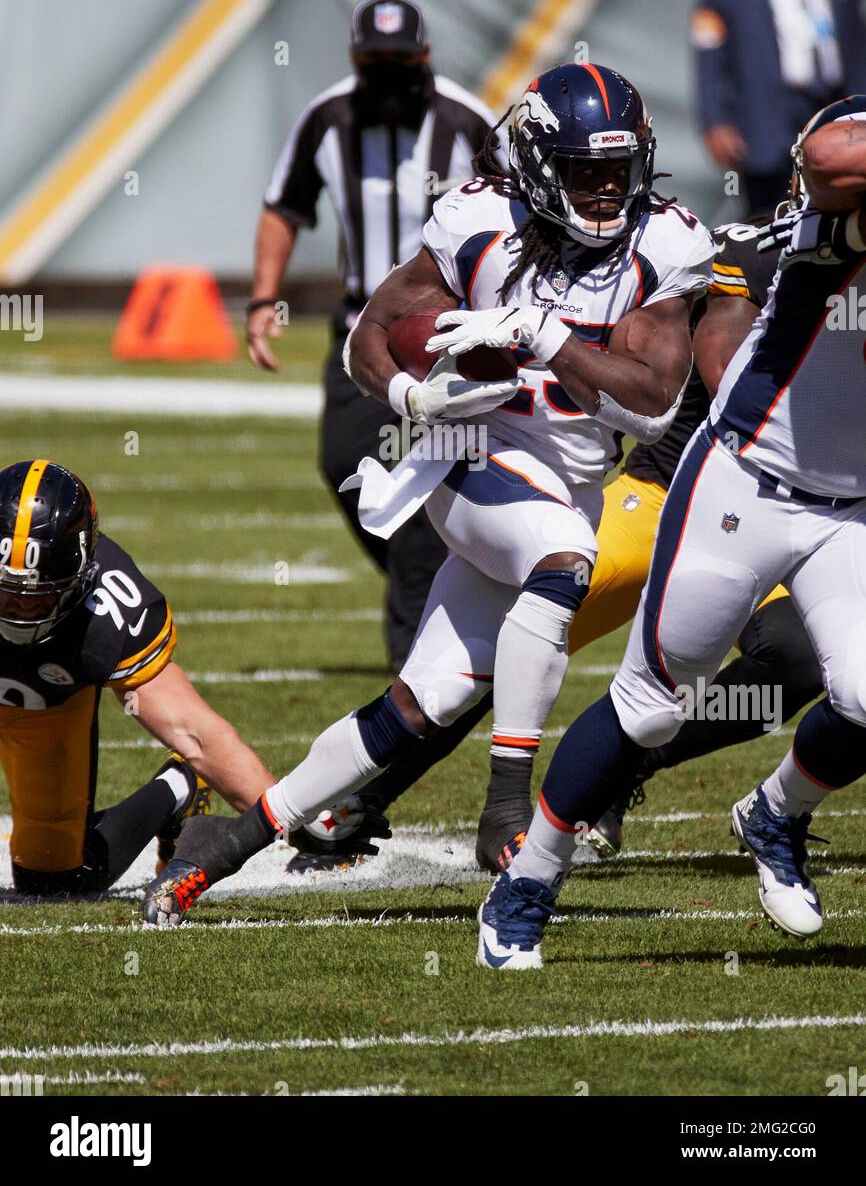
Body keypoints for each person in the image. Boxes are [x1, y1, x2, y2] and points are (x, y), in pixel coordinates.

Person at [142, 60, 716, 927]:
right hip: (470, 453)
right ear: (533, 165)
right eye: (582, 172)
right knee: (566, 562)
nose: (604, 192)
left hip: (566, 482)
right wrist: (412, 396)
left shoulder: (665, 246)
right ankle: (509, 806)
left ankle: (230, 841)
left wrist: (546, 335)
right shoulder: (478, 220)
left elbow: (654, 401)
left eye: (617, 170)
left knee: (424, 702)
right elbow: (368, 338)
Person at [287, 217, 824, 874]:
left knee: (795, 658)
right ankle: (360, 800)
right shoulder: (755, 255)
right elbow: (721, 373)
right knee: (508, 644)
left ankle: (625, 768)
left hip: (755, 519)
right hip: (658, 499)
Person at [477, 96, 866, 967]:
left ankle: (775, 813)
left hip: (852, 512)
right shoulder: (837, 183)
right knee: (651, 709)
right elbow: (825, 155)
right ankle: (528, 880)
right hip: (747, 481)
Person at [247, 0, 497, 670]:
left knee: (423, 480)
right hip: (362, 330)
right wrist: (264, 299)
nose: (388, 75)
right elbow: (284, 208)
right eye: (374, 62)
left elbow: (516, 216)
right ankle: (441, 595)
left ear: (424, 58)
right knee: (342, 461)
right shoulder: (328, 118)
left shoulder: (467, 121)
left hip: (446, 337)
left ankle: (416, 649)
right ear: (358, 61)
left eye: (399, 61)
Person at [0, 459, 274, 896]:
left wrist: (293, 816)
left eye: (35, 600)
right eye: (5, 594)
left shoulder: (106, 614)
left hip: (42, 706)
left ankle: (179, 787)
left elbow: (195, 733)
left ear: (81, 578)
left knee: (50, 878)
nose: (16, 613)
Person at [694, 0, 865, 214]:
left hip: (833, 107)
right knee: (768, 218)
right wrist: (715, 122)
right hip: (766, 117)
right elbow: (708, 56)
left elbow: (857, 42)